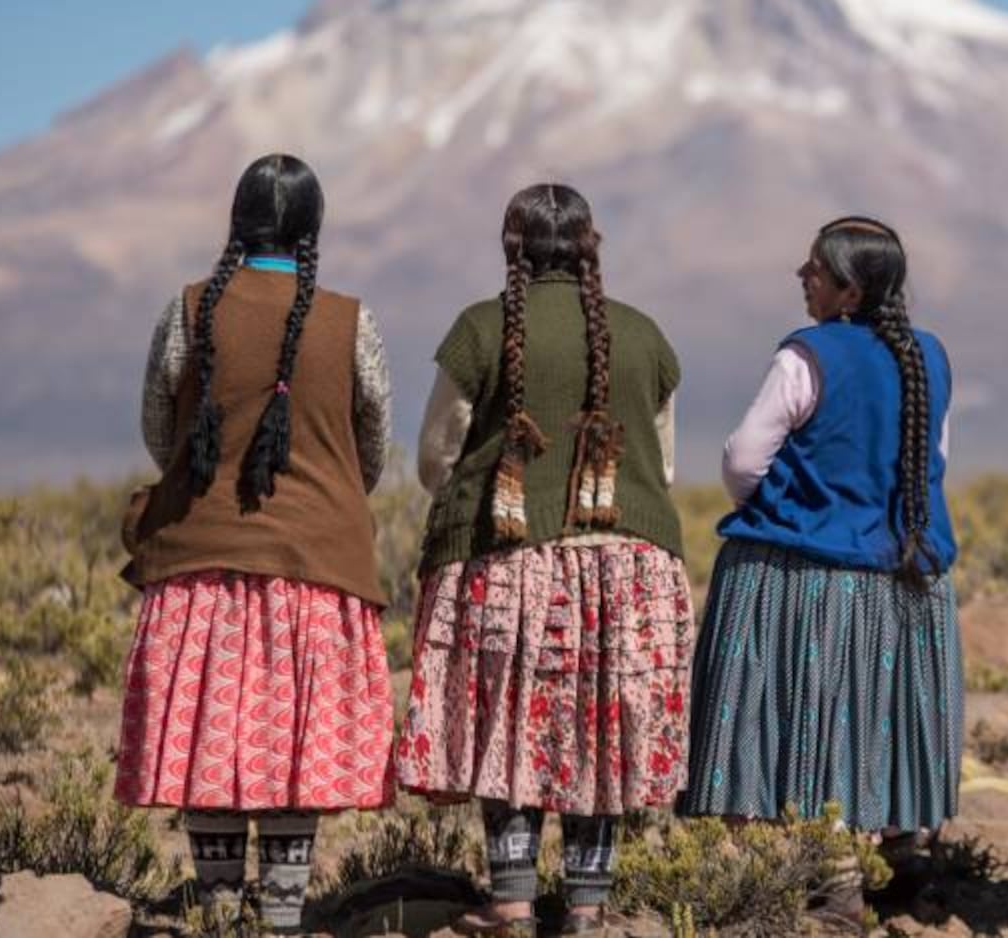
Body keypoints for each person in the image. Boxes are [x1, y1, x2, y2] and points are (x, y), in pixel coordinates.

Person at [393, 183, 693, 937]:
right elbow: (665, 461)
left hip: (507, 561)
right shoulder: (645, 335)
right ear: (591, 244)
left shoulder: (478, 329)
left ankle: (514, 902)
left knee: (511, 724)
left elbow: (437, 454)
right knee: (598, 725)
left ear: (512, 245)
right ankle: (588, 908)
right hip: (626, 567)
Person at [115, 153, 394, 932]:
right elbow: (369, 444)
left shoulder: (188, 310)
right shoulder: (352, 321)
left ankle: (214, 912)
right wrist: (324, 495)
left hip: (199, 567)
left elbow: (157, 428)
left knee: (214, 740)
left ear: (236, 223)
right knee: (292, 749)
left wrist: (210, 475)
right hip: (316, 569)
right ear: (313, 230)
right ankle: (280, 917)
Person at [680, 216, 963, 925]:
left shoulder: (806, 357)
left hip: (811, 572)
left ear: (850, 289)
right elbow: (936, 462)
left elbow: (744, 459)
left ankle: (834, 876)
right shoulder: (929, 357)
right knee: (881, 717)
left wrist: (781, 507)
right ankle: (902, 857)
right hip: (904, 573)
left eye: (814, 269)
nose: (800, 277)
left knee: (821, 713)